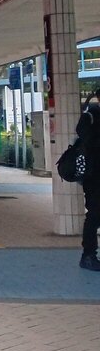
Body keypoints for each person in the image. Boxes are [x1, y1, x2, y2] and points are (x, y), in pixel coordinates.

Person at [76, 89, 100, 271]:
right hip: (94, 176)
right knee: (94, 214)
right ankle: (88, 255)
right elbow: (85, 138)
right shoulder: (91, 115)